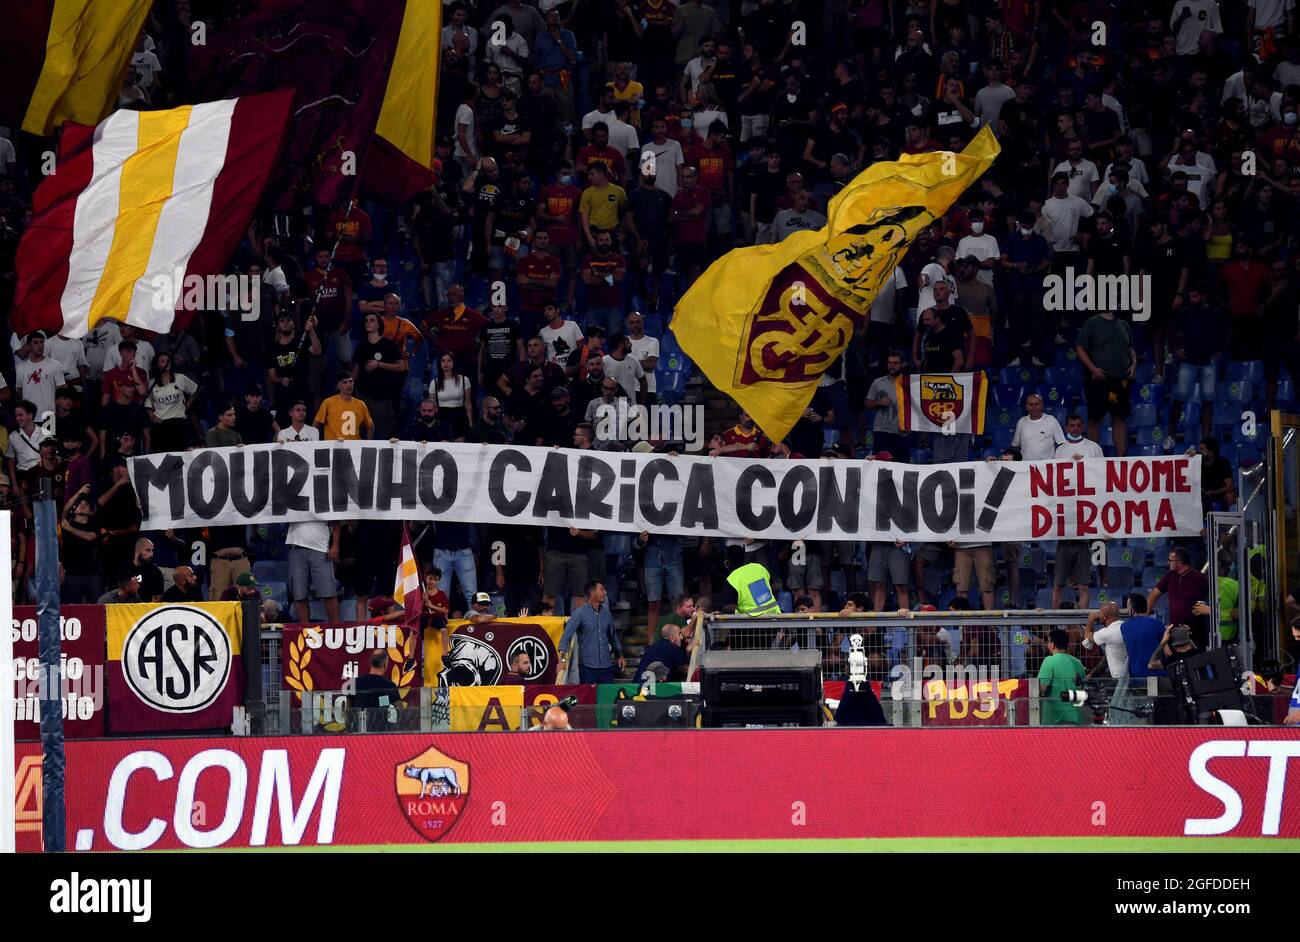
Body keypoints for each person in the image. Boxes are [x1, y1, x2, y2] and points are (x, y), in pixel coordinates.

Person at [558, 581, 625, 683]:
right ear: (593, 593)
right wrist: (562, 660)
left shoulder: (607, 614)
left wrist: (620, 656)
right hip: (587, 667)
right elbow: (566, 636)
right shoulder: (579, 613)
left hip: (606, 667)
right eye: (602, 589)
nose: (605, 592)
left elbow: (613, 637)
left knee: (608, 697)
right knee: (589, 698)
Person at [1148, 547, 1211, 648]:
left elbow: (1215, 597)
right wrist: (1145, 615)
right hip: (1175, 632)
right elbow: (1155, 593)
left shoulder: (1200, 578)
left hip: (1195, 633)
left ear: (1179, 563)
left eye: (1170, 560)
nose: (1167, 562)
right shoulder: (1170, 576)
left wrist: (1209, 610)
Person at [1038, 628, 1086, 726]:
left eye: (1048, 642)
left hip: (1055, 719)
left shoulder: (1049, 661)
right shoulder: (1078, 663)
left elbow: (1041, 687)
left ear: (1053, 644)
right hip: (1076, 716)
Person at [724, 544, 780, 616]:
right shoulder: (759, 567)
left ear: (728, 562)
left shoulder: (732, 579)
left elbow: (729, 609)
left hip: (751, 624)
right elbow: (776, 588)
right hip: (775, 618)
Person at [314, 374, 374, 441]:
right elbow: (316, 424)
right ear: (338, 386)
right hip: (333, 446)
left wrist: (369, 442)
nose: (349, 385)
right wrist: (315, 443)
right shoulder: (328, 403)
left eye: (351, 381)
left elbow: (370, 426)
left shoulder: (361, 404)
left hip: (354, 446)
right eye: (345, 382)